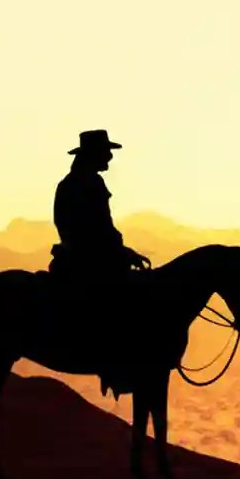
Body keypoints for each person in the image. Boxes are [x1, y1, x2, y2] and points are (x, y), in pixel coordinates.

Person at [48, 129, 151, 397]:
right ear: (94, 155)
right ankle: (116, 365)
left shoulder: (72, 182)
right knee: (121, 301)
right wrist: (120, 252)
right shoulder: (88, 184)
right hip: (89, 257)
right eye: (106, 152)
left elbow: (91, 227)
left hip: (83, 253)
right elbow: (99, 228)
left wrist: (121, 250)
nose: (109, 157)